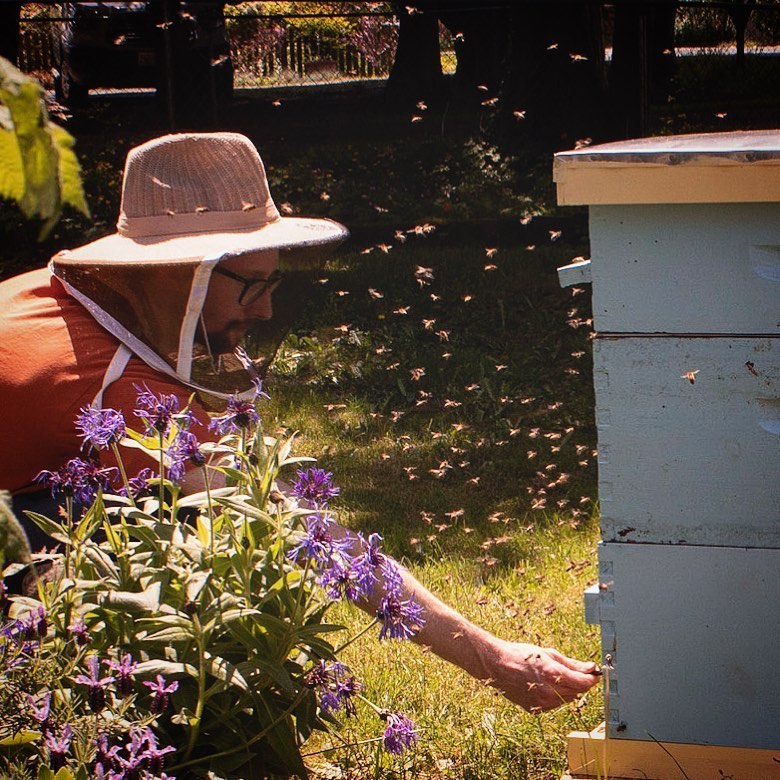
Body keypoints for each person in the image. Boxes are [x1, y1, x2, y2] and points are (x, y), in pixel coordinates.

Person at [0, 132, 599, 713]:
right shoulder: (112, 385)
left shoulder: (52, 297)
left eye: (273, 282)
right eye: (253, 286)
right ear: (183, 275)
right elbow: (301, 533)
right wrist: (494, 658)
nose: (264, 308)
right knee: (179, 530)